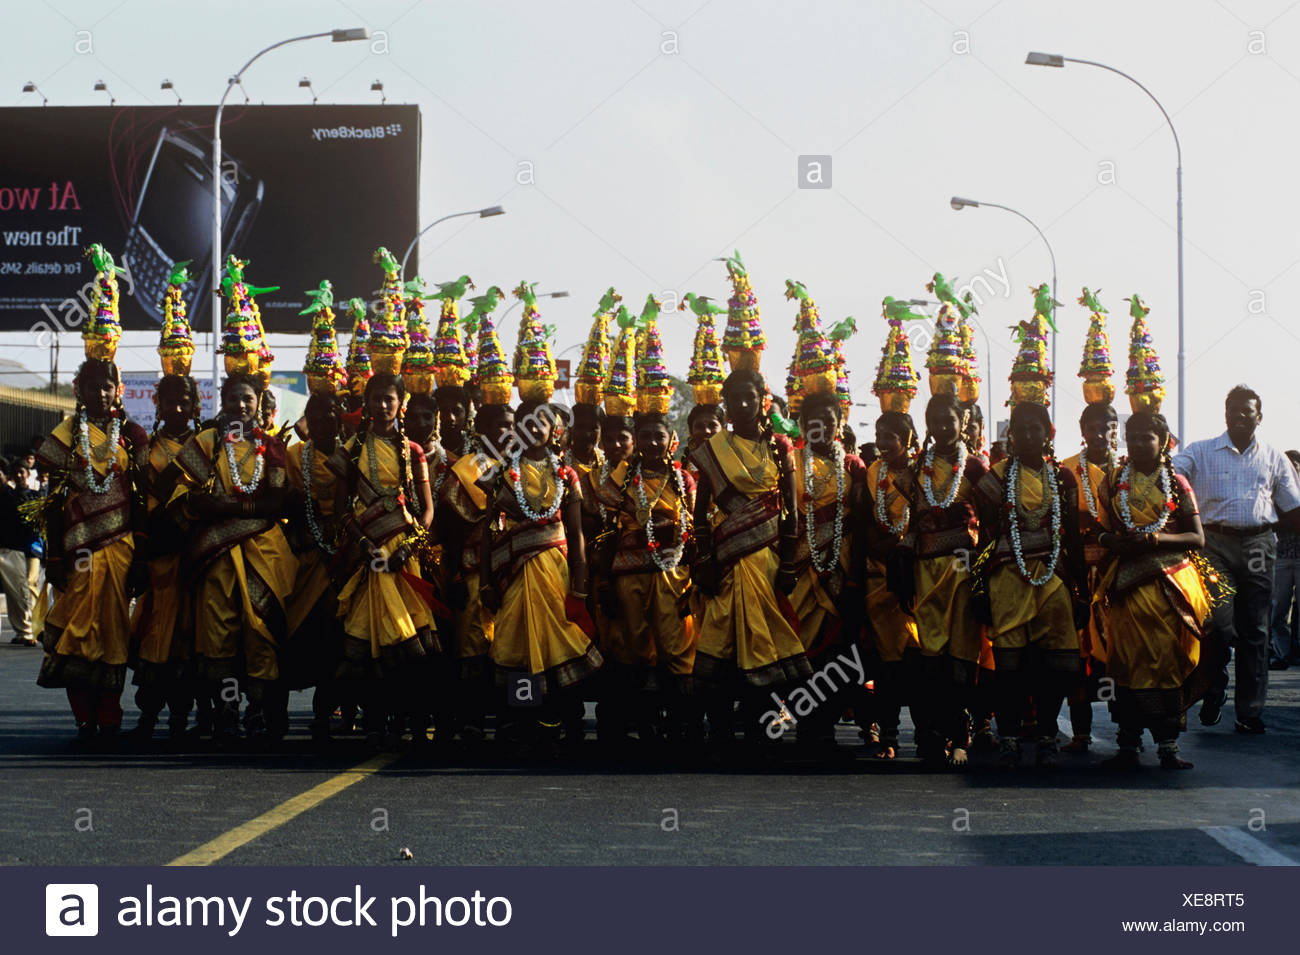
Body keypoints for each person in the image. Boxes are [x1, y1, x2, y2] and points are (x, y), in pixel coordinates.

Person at [168, 373, 296, 747]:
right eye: (234, 398)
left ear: (259, 403)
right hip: (217, 555)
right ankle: (227, 711)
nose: (241, 405)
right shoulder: (207, 442)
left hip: (263, 553)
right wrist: (198, 502)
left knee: (260, 631)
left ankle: (256, 711)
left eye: (248, 399)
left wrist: (228, 507)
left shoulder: (270, 447)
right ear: (222, 401)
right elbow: (178, 489)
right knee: (219, 637)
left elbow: (278, 500)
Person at [690, 370, 809, 747]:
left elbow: (790, 509)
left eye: (749, 398)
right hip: (727, 563)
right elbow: (700, 512)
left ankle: (764, 732)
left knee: (769, 645)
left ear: (763, 401)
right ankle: (722, 732)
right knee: (721, 644)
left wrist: (789, 564)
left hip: (770, 562)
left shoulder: (780, 447)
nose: (742, 405)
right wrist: (705, 560)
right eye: (734, 398)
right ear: (725, 402)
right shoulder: (713, 449)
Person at [34, 359, 149, 749]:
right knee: (78, 633)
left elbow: (143, 500)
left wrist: (143, 556)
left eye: (107, 386)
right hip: (75, 551)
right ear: (78, 390)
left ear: (118, 390)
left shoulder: (132, 436)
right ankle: (84, 719)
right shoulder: (64, 436)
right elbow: (52, 501)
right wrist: (52, 558)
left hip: (120, 549)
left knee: (112, 632)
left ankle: (110, 718)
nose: (101, 393)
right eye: (92, 386)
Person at [1173, 385, 1300, 734]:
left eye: (1248, 411)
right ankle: (1213, 684)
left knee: (1256, 630)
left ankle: (1249, 711)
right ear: (1225, 413)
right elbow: (1168, 476)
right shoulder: (1200, 452)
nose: (1240, 416)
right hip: (1213, 545)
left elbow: (1293, 508)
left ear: (1260, 417)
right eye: (1234, 410)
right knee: (1217, 622)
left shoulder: (1275, 457)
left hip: (1259, 545)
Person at [974, 401, 1088, 769]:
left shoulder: (1063, 478)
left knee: (1059, 664)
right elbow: (986, 539)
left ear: (1048, 434)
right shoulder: (994, 478)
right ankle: (1008, 736)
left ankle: (1046, 734)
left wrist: (1081, 590)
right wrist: (980, 588)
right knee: (1009, 664)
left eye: (1034, 429)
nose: (1026, 436)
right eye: (1019, 430)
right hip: (1008, 578)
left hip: (1053, 580)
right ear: (1011, 436)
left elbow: (1071, 535)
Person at [481, 399, 601, 746]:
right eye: (528, 424)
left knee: (558, 642)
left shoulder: (567, 473)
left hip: (555, 572)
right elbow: (488, 531)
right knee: (520, 643)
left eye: (542, 425)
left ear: (554, 431)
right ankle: (523, 720)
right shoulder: (500, 471)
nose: (535, 431)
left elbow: (576, 532)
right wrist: (486, 581)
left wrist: (580, 583)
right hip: (515, 571)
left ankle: (564, 718)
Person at [1096, 412, 1212, 770]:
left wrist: (1154, 538)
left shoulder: (1176, 482)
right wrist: (1112, 540)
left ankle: (1168, 745)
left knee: (1164, 660)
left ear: (1164, 442)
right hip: (1125, 587)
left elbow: (1197, 538)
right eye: (1133, 437)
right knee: (1126, 661)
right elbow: (1099, 532)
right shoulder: (1114, 482)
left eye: (1147, 437)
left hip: (1169, 585)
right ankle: (1127, 744)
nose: (1139, 444)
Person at [330, 373, 438, 750]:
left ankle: (414, 720)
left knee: (413, 642)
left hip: (404, 560)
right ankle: (374, 720)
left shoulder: (414, 451)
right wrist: (361, 542)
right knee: (370, 640)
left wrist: (409, 547)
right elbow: (341, 510)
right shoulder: (350, 450)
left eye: (389, 399)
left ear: (400, 403)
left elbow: (427, 511)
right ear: (368, 402)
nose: (382, 405)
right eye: (376, 398)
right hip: (368, 558)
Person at [896, 393, 989, 767]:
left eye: (949, 421)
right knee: (931, 658)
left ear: (962, 423)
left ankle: (961, 736)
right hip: (926, 571)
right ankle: (932, 732)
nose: (942, 427)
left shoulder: (976, 470)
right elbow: (914, 520)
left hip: (963, 573)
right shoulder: (918, 468)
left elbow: (993, 521)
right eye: (935, 421)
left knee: (961, 658)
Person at [595, 412, 698, 745]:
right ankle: (639, 724)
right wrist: (604, 583)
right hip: (629, 577)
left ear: (671, 440)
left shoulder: (684, 481)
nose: (653, 443)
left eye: (659, 436)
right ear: (636, 440)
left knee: (677, 649)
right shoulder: (619, 480)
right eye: (646, 436)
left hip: (673, 575)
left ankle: (682, 725)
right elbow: (608, 535)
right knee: (632, 648)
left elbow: (695, 532)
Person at [788, 393, 867, 752]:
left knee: (835, 651)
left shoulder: (853, 467)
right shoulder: (789, 462)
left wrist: (855, 577)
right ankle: (807, 721)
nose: (820, 428)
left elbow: (863, 523)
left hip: (841, 566)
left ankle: (827, 720)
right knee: (800, 648)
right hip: (801, 570)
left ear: (840, 424)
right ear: (804, 425)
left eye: (829, 422)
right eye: (812, 422)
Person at [127, 374, 202, 743]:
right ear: (157, 404)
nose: (176, 408)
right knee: (156, 633)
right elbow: (140, 503)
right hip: (160, 554)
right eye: (169, 401)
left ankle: (181, 717)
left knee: (191, 633)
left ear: (194, 406)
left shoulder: (207, 445)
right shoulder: (145, 448)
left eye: (183, 401)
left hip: (197, 555)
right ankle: (148, 714)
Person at [437, 403, 513, 743]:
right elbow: (449, 530)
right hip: (471, 570)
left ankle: (514, 718)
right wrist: (453, 575)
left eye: (511, 426)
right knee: (473, 650)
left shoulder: (521, 468)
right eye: (499, 426)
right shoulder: (466, 470)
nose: (506, 432)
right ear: (480, 429)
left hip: (513, 570)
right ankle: (471, 719)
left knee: (513, 648)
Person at [284, 392, 345, 746]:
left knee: (336, 635)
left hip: (342, 557)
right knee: (296, 631)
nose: (325, 421)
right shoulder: (293, 456)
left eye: (332, 414)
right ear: (308, 418)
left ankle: (327, 712)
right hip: (304, 557)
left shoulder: (352, 453)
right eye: (318, 415)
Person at [1058, 401, 1118, 753]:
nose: (1100, 435)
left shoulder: (1129, 472)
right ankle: (1080, 733)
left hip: (1118, 576)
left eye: (1107, 428)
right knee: (1079, 655)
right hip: (1078, 574)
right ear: (1083, 431)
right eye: (1093, 428)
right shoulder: (1066, 471)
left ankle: (1129, 732)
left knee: (1118, 653)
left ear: (1116, 431)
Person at [864, 411, 921, 759]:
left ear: (908, 438)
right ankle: (888, 737)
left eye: (890, 437)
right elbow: (865, 517)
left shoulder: (923, 472)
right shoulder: (873, 473)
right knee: (886, 664)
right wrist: (881, 546)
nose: (883, 443)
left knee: (917, 660)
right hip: (879, 575)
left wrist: (906, 546)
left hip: (915, 577)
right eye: (879, 435)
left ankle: (930, 734)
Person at [0, 457, 39, 646]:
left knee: (18, 593)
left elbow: (27, 526)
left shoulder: (15, 497)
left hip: (12, 550)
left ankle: (25, 631)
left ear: (5, 476)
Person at [1268, 450, 1300, 669]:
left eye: (1296, 464)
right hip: (1282, 557)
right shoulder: (1276, 493)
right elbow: (1273, 521)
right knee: (1278, 611)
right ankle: (1283, 654)